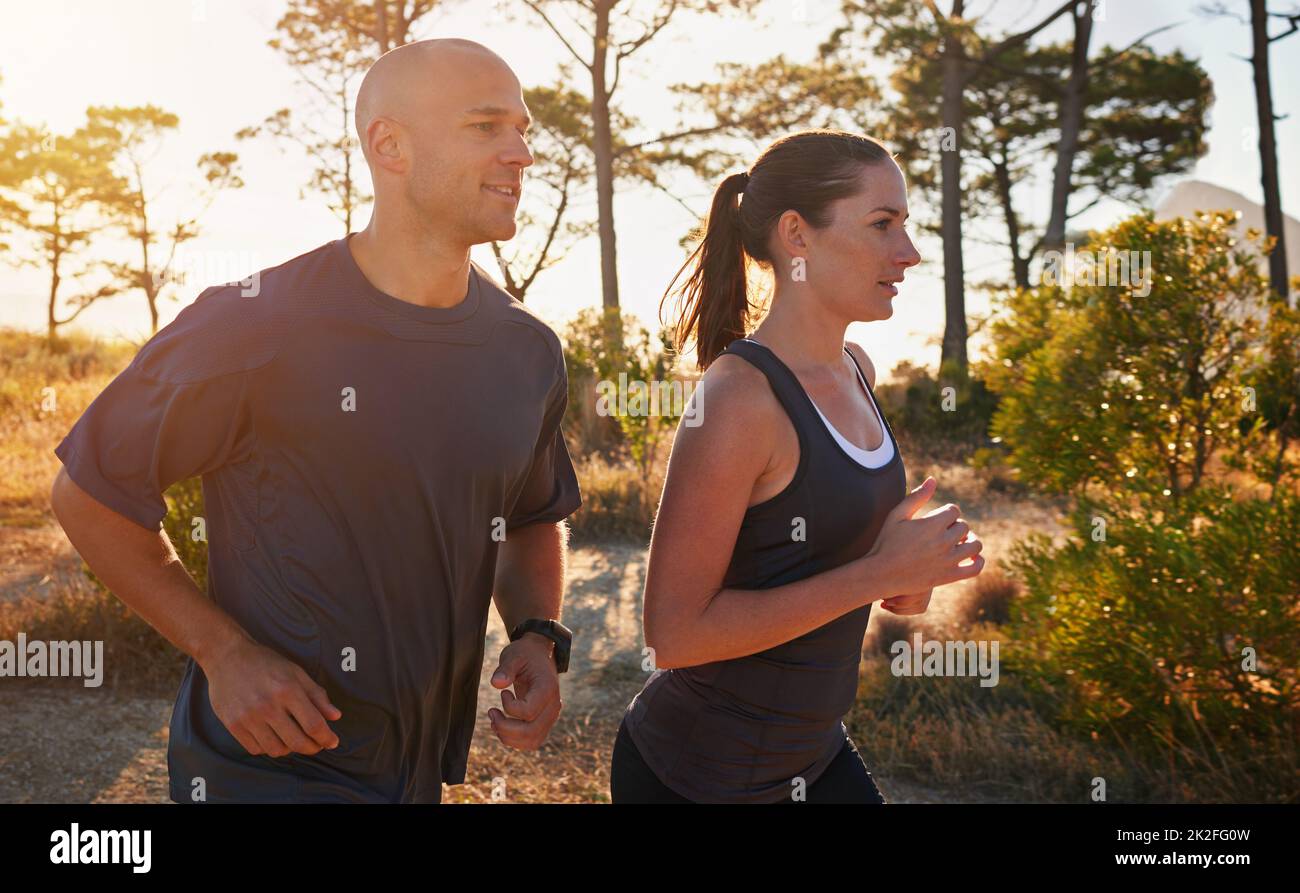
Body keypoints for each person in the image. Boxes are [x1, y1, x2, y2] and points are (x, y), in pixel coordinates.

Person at [49, 39, 582, 803]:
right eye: (486, 127)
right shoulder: (252, 323)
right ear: (388, 145)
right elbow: (87, 491)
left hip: (415, 774)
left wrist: (536, 630)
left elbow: (530, 515)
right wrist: (223, 652)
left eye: (524, 130)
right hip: (265, 770)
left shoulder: (527, 351)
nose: (522, 153)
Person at [610, 129, 986, 804]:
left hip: (812, 757)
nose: (909, 251)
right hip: (695, 774)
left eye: (906, 224)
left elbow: (864, 582)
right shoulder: (737, 400)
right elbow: (673, 633)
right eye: (882, 224)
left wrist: (915, 569)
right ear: (797, 236)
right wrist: (877, 572)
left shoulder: (858, 372)